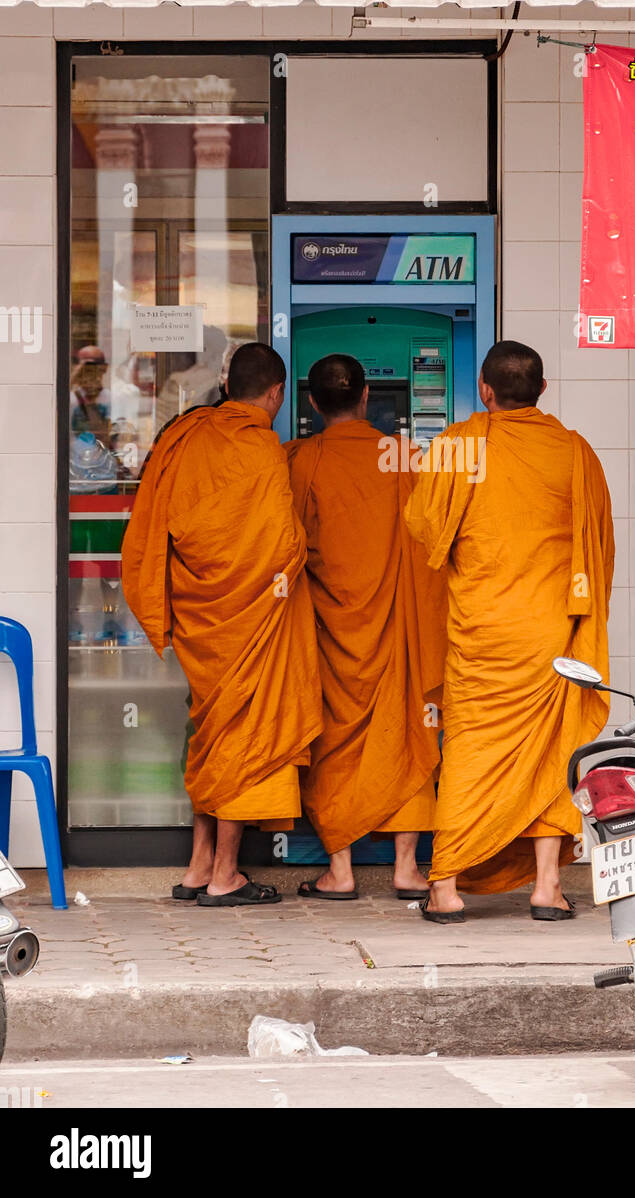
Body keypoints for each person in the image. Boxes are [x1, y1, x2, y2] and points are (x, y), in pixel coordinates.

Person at [404, 340, 614, 923]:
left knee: (469, 750)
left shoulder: (458, 446)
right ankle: (546, 887)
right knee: (553, 748)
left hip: (482, 632)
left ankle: (445, 886)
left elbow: (422, 525)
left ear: (485, 391)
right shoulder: (574, 454)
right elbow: (598, 548)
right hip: (550, 634)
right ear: (543, 390)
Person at [121, 342, 322, 906]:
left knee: (211, 734)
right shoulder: (260, 446)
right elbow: (282, 544)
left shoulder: (185, 436)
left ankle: (197, 865)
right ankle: (225, 874)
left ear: (228, 384)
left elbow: (152, 524)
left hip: (200, 617)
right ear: (277, 394)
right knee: (243, 735)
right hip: (250, 618)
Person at [284, 354, 446, 901]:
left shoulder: (300, 460)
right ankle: (406, 868)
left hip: (328, 626)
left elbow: (286, 545)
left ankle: (341, 869)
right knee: (404, 732)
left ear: (310, 403)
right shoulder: (402, 455)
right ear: (367, 396)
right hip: (398, 626)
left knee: (333, 738)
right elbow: (432, 541)